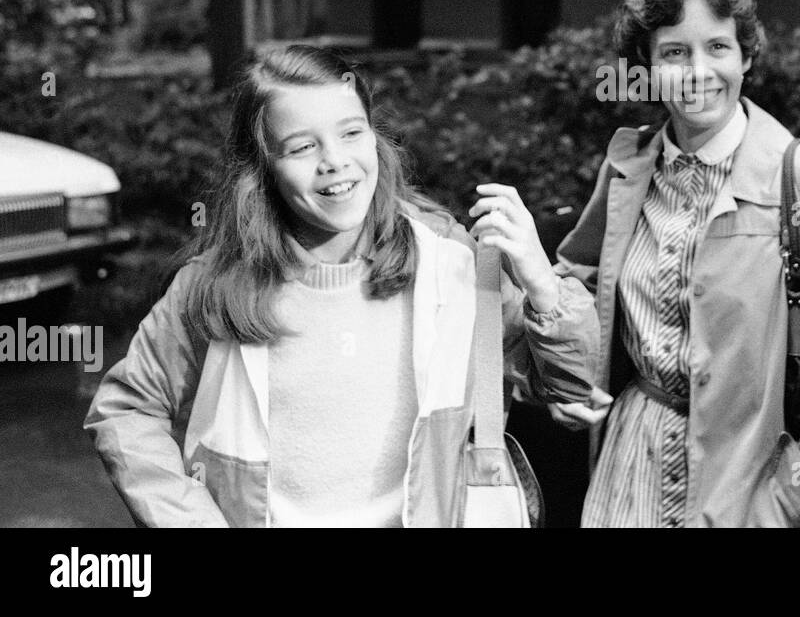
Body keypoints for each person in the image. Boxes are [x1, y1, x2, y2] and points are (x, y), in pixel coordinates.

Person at [85, 45, 596, 527]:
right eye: (303, 146)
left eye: (351, 133)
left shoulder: (452, 263)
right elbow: (128, 408)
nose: (334, 160)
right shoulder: (213, 286)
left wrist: (540, 279)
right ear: (263, 169)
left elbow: (571, 386)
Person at [477, 0, 800, 527]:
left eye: (718, 47)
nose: (698, 71)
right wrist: (542, 291)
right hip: (630, 473)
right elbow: (577, 346)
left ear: (746, 55)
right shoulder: (627, 170)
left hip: (753, 484)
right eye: (674, 52)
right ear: (644, 67)